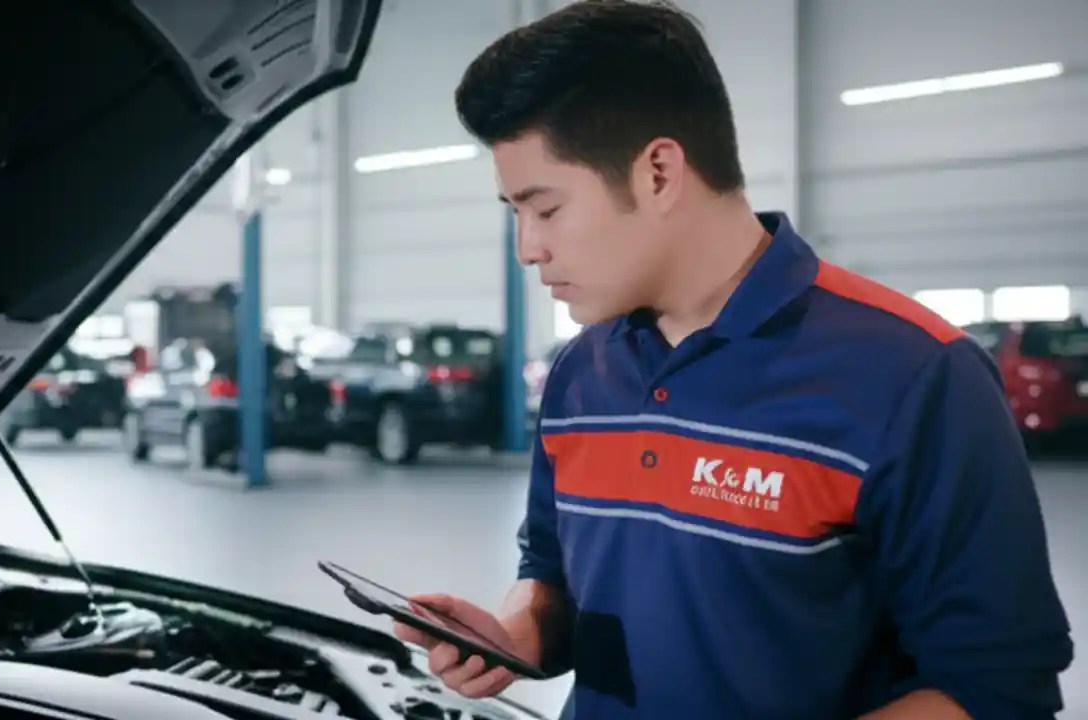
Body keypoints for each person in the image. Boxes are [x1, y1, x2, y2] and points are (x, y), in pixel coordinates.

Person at [393, 1, 1074, 718]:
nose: (528, 247)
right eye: (514, 213)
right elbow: (553, 574)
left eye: (546, 209)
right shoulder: (580, 373)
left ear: (658, 172)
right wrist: (516, 635)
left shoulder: (915, 376)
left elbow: (996, 684)